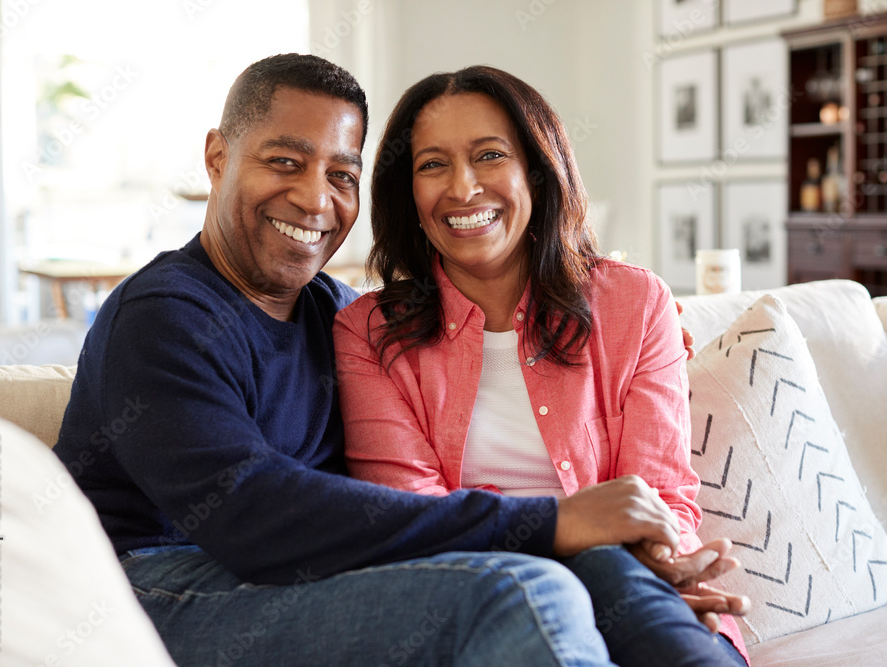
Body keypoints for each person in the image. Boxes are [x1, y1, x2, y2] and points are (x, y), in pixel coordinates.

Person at [54, 53, 734, 666]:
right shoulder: (162, 316)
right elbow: (251, 514)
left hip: (292, 576)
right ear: (217, 157)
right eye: (285, 162)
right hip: (154, 589)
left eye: (341, 175)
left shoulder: (334, 313)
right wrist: (553, 523)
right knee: (523, 590)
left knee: (600, 581)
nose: (315, 198)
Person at [333, 66, 750, 665]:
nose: (463, 188)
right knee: (592, 570)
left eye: (490, 155)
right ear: (408, 192)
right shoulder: (368, 333)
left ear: (537, 168)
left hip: (632, 578)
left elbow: (658, 492)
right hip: (486, 597)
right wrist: (565, 527)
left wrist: (667, 568)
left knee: (618, 577)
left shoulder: (635, 303)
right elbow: (415, 518)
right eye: (432, 164)